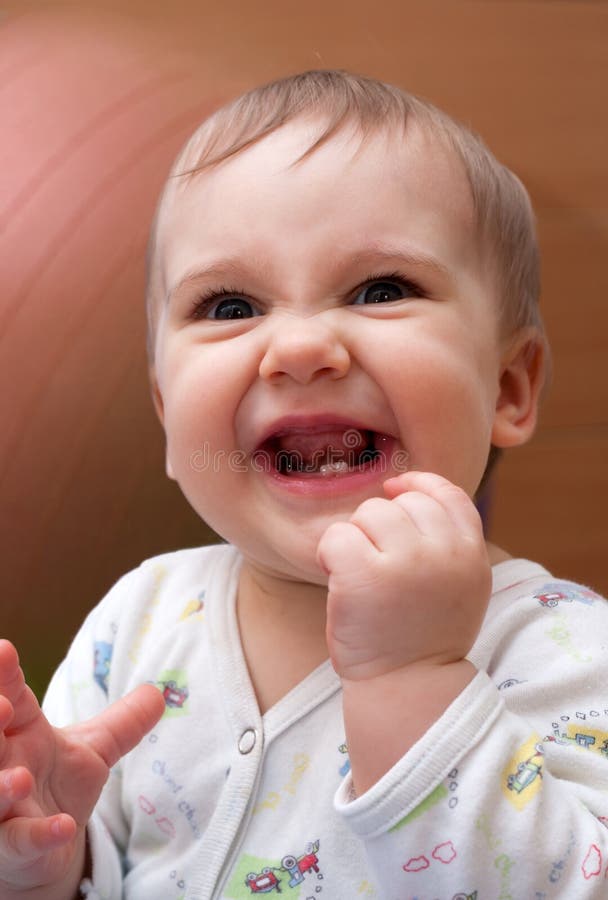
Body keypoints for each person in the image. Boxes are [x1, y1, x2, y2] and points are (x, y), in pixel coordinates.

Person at [1, 69, 606, 900]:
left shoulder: (564, 651)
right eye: (229, 305)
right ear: (169, 413)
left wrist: (417, 680)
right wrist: (48, 862)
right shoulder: (136, 623)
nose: (299, 346)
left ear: (507, 388)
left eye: (381, 290)